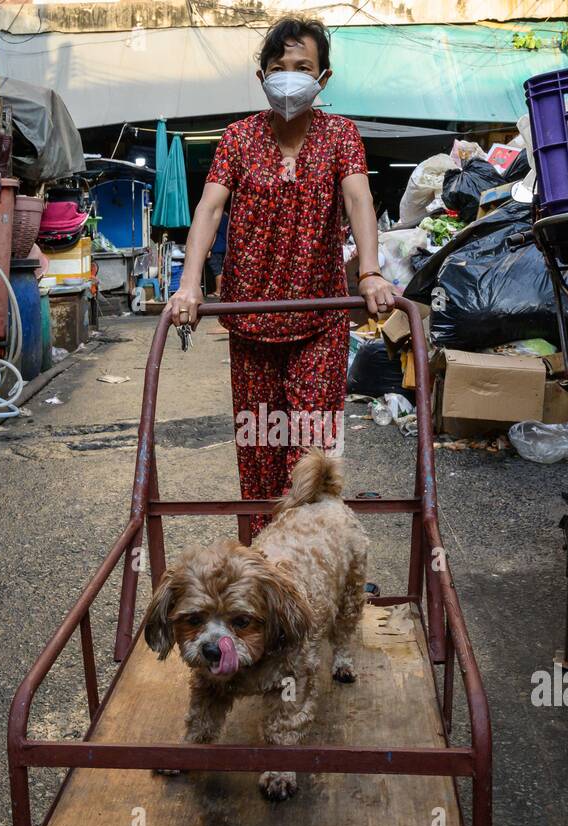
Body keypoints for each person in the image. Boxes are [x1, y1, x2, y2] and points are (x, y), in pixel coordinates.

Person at [164, 16, 394, 533]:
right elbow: (210, 208)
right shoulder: (240, 138)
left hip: (319, 320)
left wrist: (371, 272)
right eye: (278, 67)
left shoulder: (340, 135)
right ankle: (261, 574)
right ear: (262, 76)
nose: (289, 77)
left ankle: (313, 565)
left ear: (323, 78)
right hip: (251, 322)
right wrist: (188, 283)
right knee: (259, 446)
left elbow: (358, 197)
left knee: (311, 456)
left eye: (302, 67)